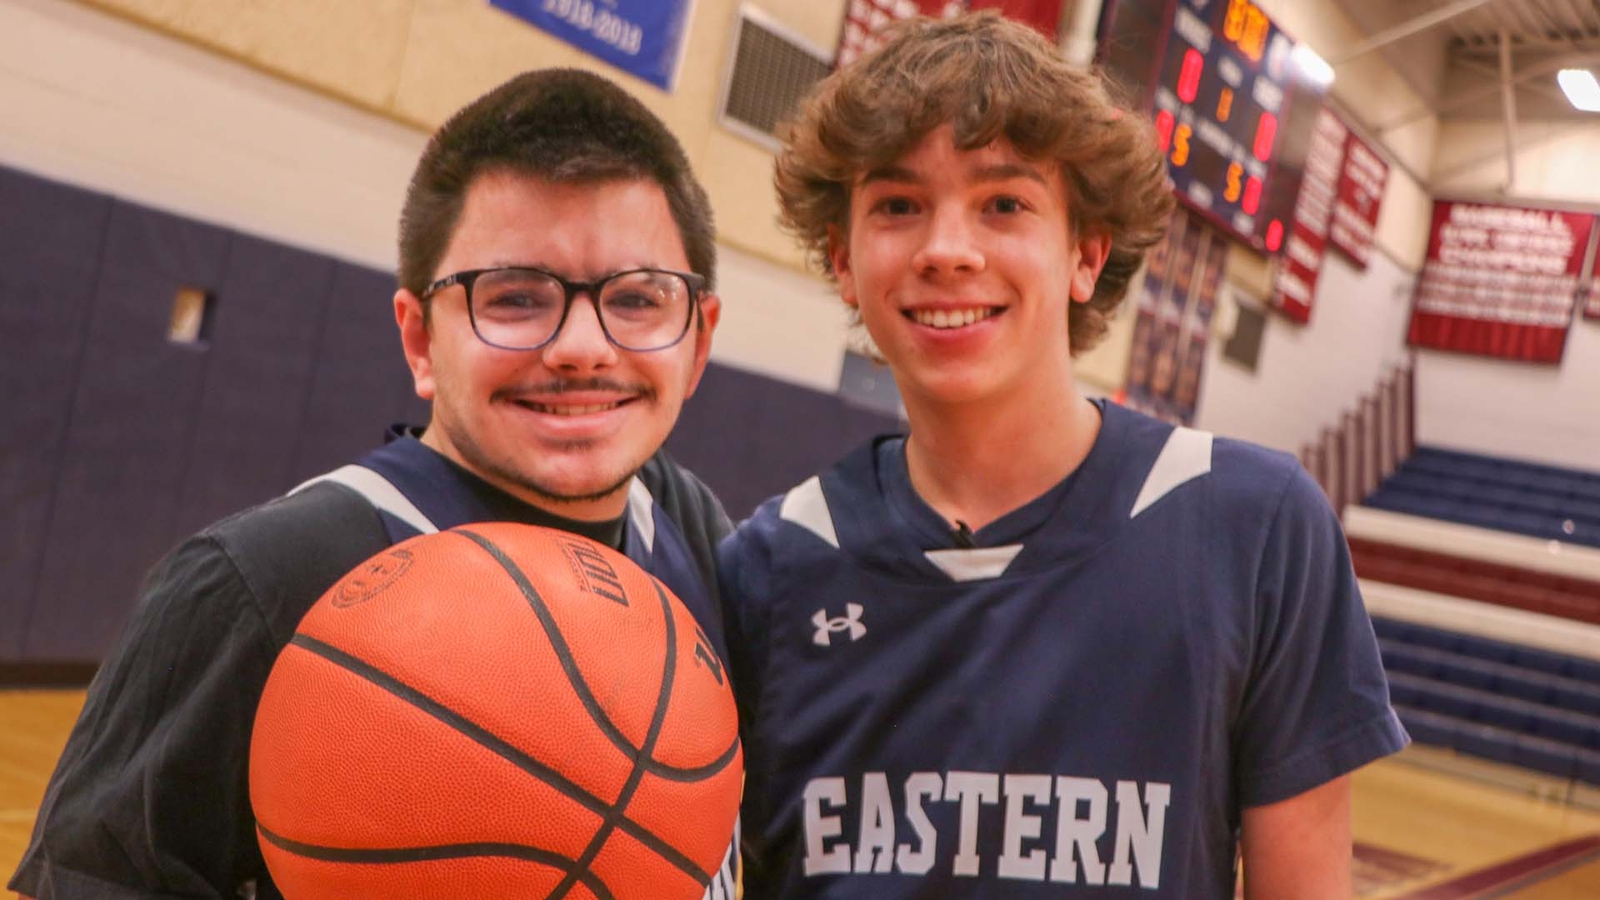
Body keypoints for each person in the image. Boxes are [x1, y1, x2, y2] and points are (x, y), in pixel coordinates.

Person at [719, 12, 1408, 899]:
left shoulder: (1255, 529)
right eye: (898, 206)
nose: (947, 251)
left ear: (1085, 255)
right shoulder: (769, 569)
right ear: (843, 259)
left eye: (1004, 204)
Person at [13, 68, 738, 900]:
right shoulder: (255, 585)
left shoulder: (692, 530)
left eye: (639, 298)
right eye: (515, 297)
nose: (581, 346)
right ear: (420, 339)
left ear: (698, 340)